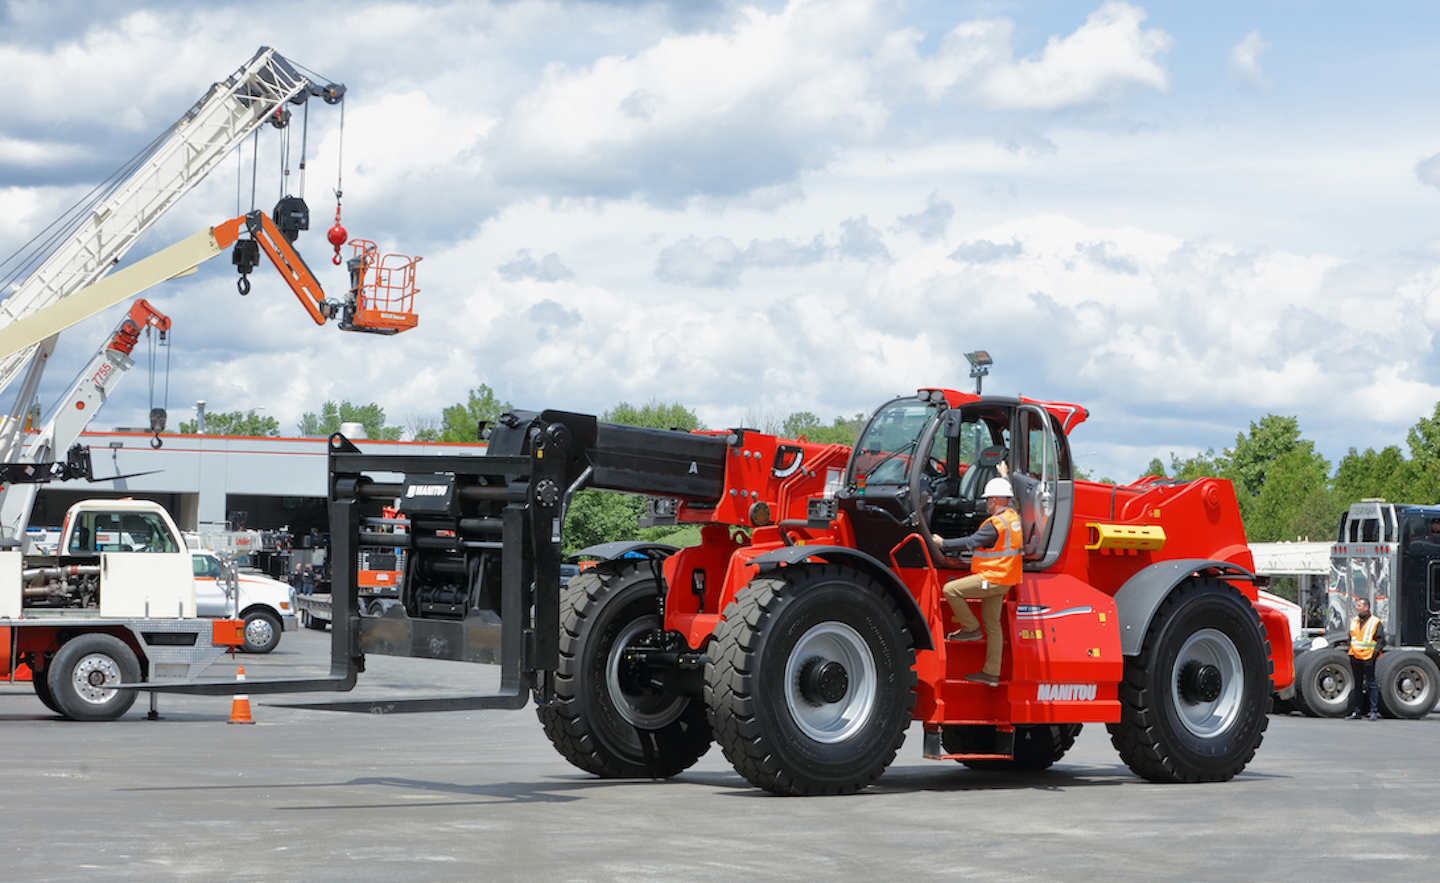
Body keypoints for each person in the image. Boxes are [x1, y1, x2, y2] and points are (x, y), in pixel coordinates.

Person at [932, 472, 1022, 687]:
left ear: (998, 500)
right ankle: (991, 673)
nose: (987, 503)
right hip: (1006, 577)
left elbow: (972, 542)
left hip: (992, 578)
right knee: (993, 625)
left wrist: (942, 543)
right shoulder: (1013, 516)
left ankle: (970, 629)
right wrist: (1004, 476)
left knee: (951, 590)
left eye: (989, 499)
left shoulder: (995, 523)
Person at [1345, 596, 1384, 721]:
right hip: (1355, 656)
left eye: (1359, 606)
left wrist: (1374, 654)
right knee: (1357, 685)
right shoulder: (1354, 621)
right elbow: (1350, 637)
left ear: (1366, 607)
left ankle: (1373, 711)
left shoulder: (1375, 622)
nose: (1356, 608)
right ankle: (1357, 711)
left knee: (1371, 684)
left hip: (1368, 657)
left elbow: (1380, 640)